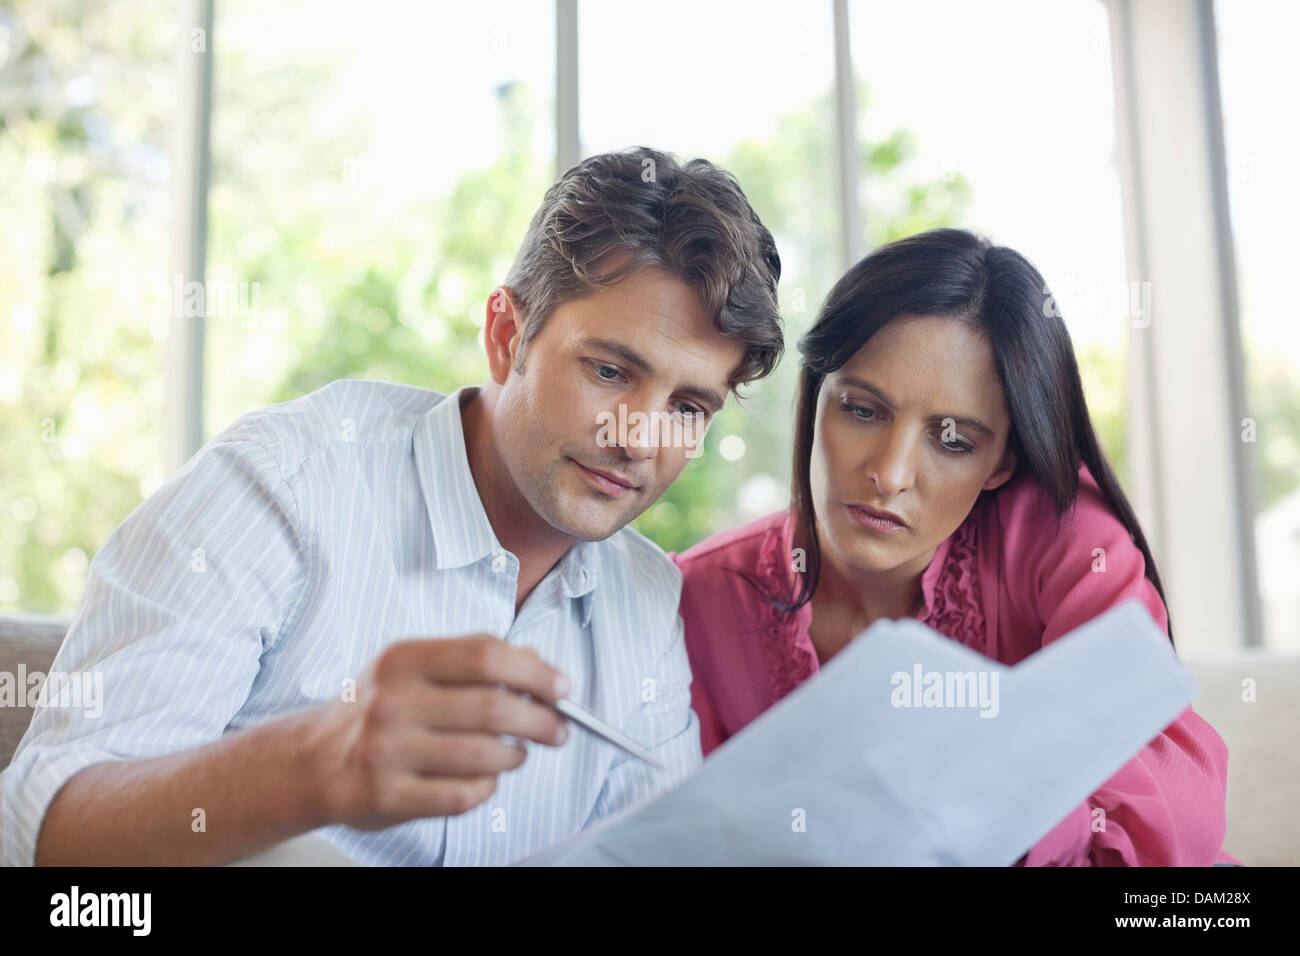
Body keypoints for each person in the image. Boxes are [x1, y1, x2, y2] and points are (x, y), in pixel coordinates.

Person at [0, 146, 784, 866]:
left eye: (689, 407)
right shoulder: (284, 484)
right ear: (507, 335)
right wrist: (311, 766)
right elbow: (43, 837)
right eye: (611, 372)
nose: (639, 440)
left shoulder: (647, 601)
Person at [672, 228, 1239, 866]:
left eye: (953, 441)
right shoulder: (698, 598)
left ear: (1002, 462)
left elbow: (1173, 818)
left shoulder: (1066, 543)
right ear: (815, 395)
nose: (889, 473)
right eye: (861, 410)